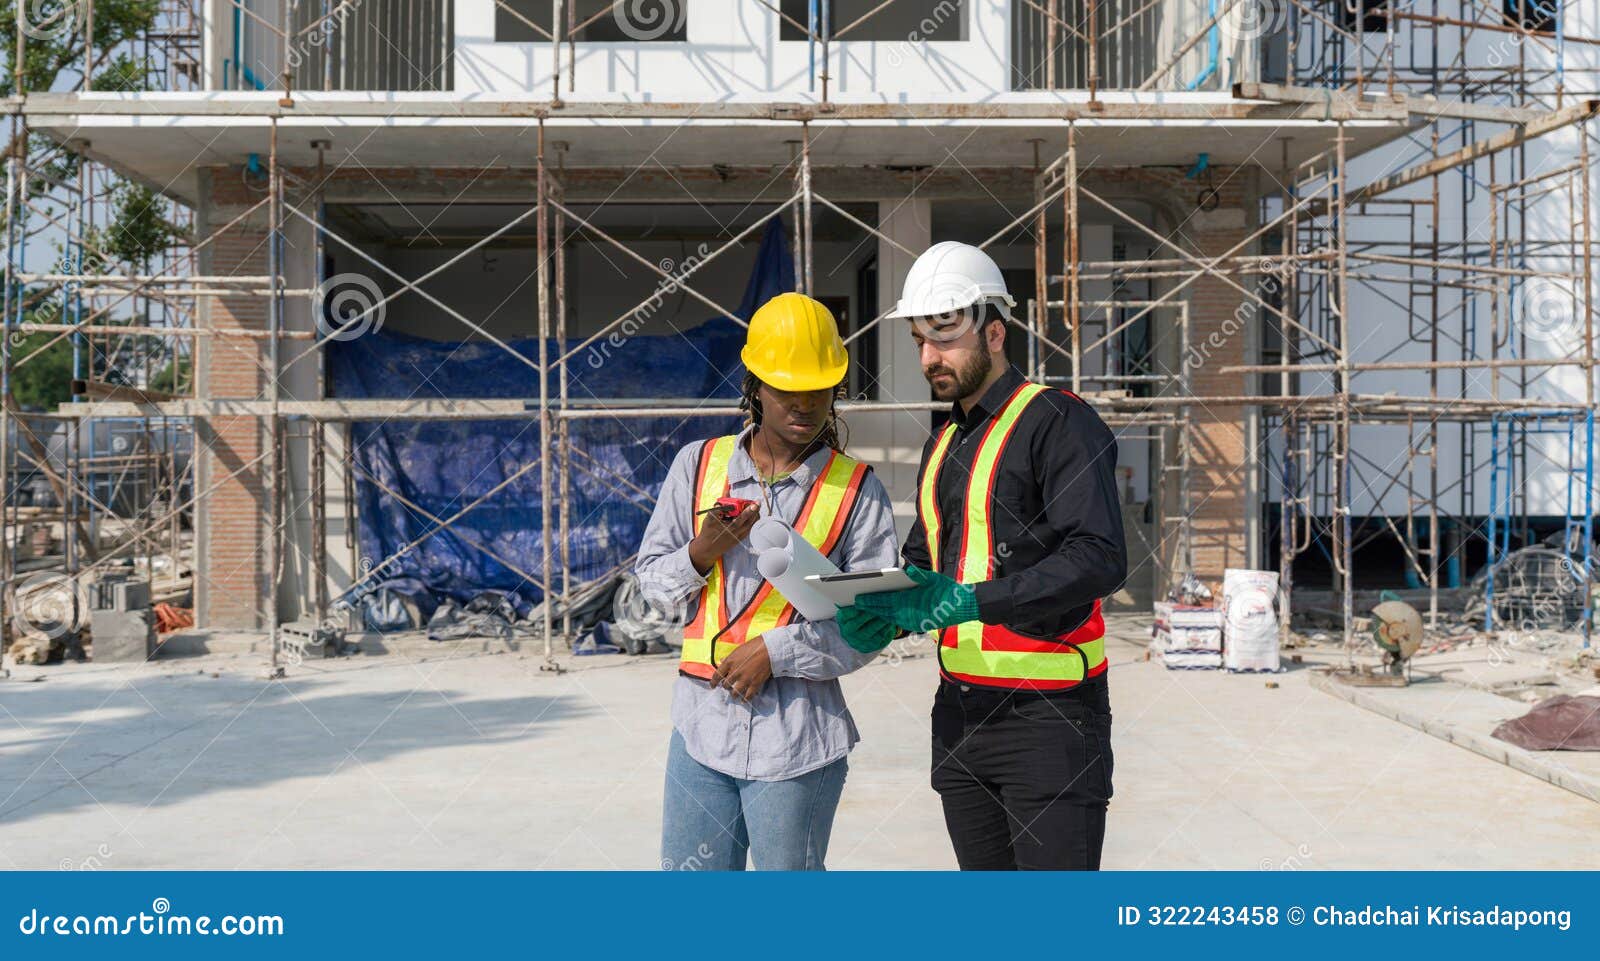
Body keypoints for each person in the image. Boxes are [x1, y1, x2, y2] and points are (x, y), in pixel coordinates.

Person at [837, 241, 1128, 871]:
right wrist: (883, 606)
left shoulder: (1059, 422)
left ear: (994, 332)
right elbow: (926, 560)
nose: (927, 358)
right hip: (961, 717)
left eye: (943, 340)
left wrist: (975, 601)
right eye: (919, 341)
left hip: (1048, 720)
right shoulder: (943, 440)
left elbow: (1100, 557)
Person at [635, 291, 898, 871]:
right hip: (700, 735)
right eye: (786, 387)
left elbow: (873, 625)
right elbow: (650, 590)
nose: (804, 404)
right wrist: (701, 553)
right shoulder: (696, 467)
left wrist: (775, 653)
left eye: (819, 388)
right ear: (754, 384)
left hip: (797, 742)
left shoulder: (855, 492)